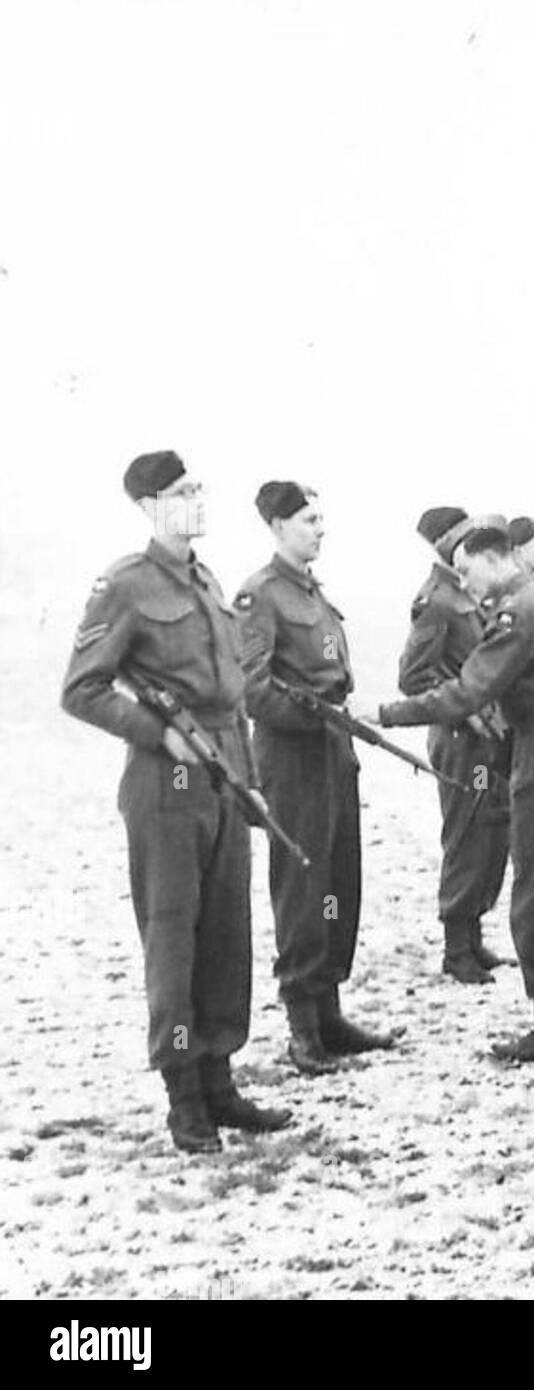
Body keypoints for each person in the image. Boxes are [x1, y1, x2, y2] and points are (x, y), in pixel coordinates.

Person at [61, 450, 291, 1154]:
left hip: (223, 770)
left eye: (197, 488)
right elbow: (81, 690)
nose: (196, 500)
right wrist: (160, 735)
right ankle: (183, 1096)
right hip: (167, 785)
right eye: (181, 492)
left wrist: (247, 782)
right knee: (174, 936)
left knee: (225, 936)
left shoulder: (207, 578)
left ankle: (220, 1082)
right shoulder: (124, 586)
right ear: (149, 506)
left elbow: (232, 701)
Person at [355, 524, 534, 1062]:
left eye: (468, 567)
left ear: (494, 559)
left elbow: (468, 691)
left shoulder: (517, 613)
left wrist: (385, 714)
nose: (464, 579)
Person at [235, 482, 402, 1076]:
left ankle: (330, 1012)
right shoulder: (261, 597)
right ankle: (303, 1027)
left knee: (338, 883)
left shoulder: (315, 597)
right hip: (293, 760)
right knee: (305, 889)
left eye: (322, 518)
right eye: (308, 520)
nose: (320, 529)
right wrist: (308, 714)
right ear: (278, 526)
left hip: (333, 753)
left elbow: (333, 673)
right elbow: (252, 688)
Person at [397, 507, 512, 984]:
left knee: (491, 832)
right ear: (443, 544)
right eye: (460, 537)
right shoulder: (438, 600)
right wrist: (465, 707)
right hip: (462, 739)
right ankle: (456, 946)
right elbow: (413, 677)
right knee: (466, 835)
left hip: (490, 736)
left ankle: (474, 933)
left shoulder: (470, 592)